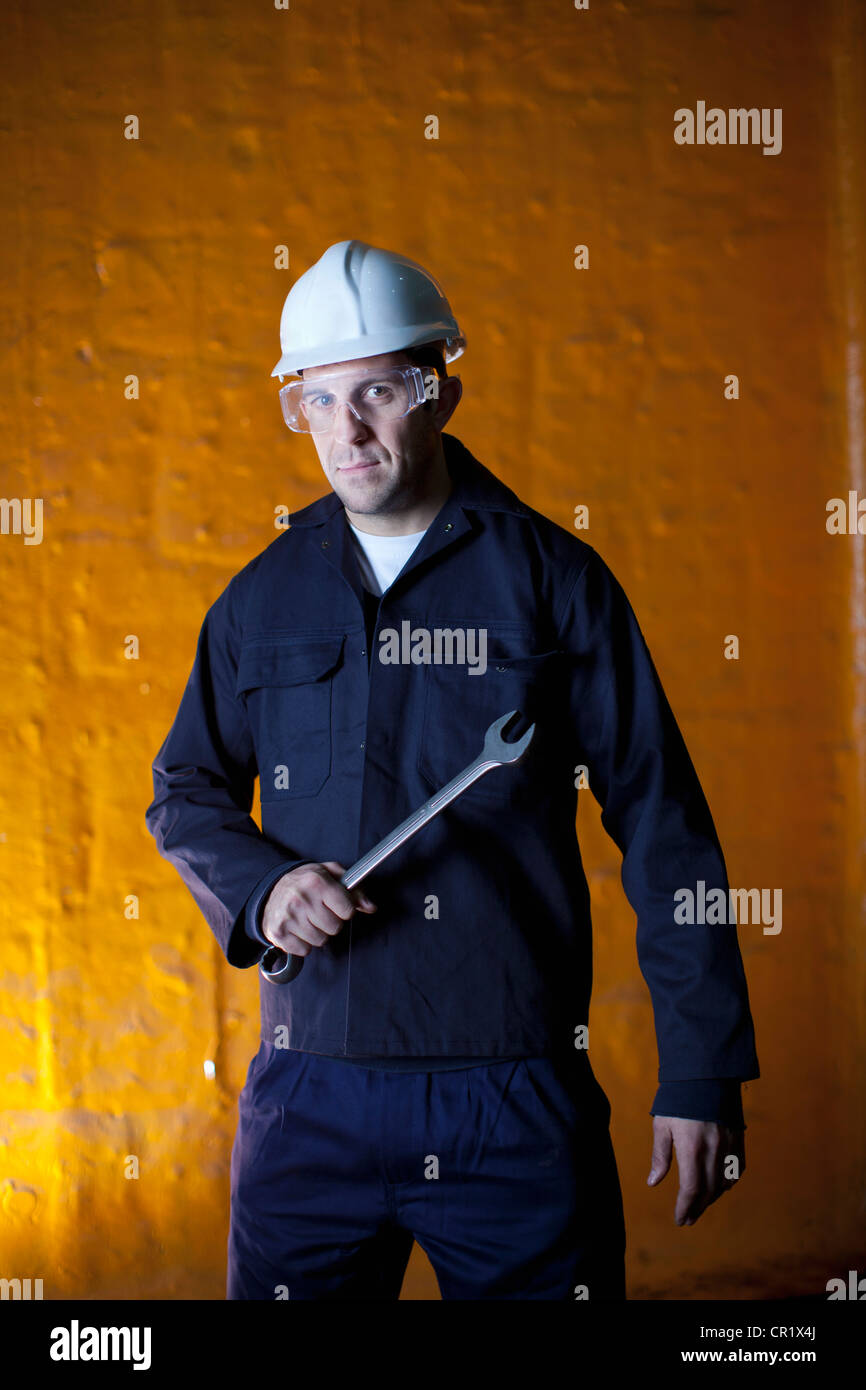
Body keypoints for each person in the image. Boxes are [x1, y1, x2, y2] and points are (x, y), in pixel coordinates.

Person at [145, 239, 760, 1301]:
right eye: (318, 400)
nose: (347, 430)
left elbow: (664, 825)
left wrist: (700, 1065)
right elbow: (185, 789)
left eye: (378, 390)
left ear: (439, 391)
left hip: (512, 1096)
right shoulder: (259, 598)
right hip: (309, 1100)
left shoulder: (555, 582)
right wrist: (261, 886)